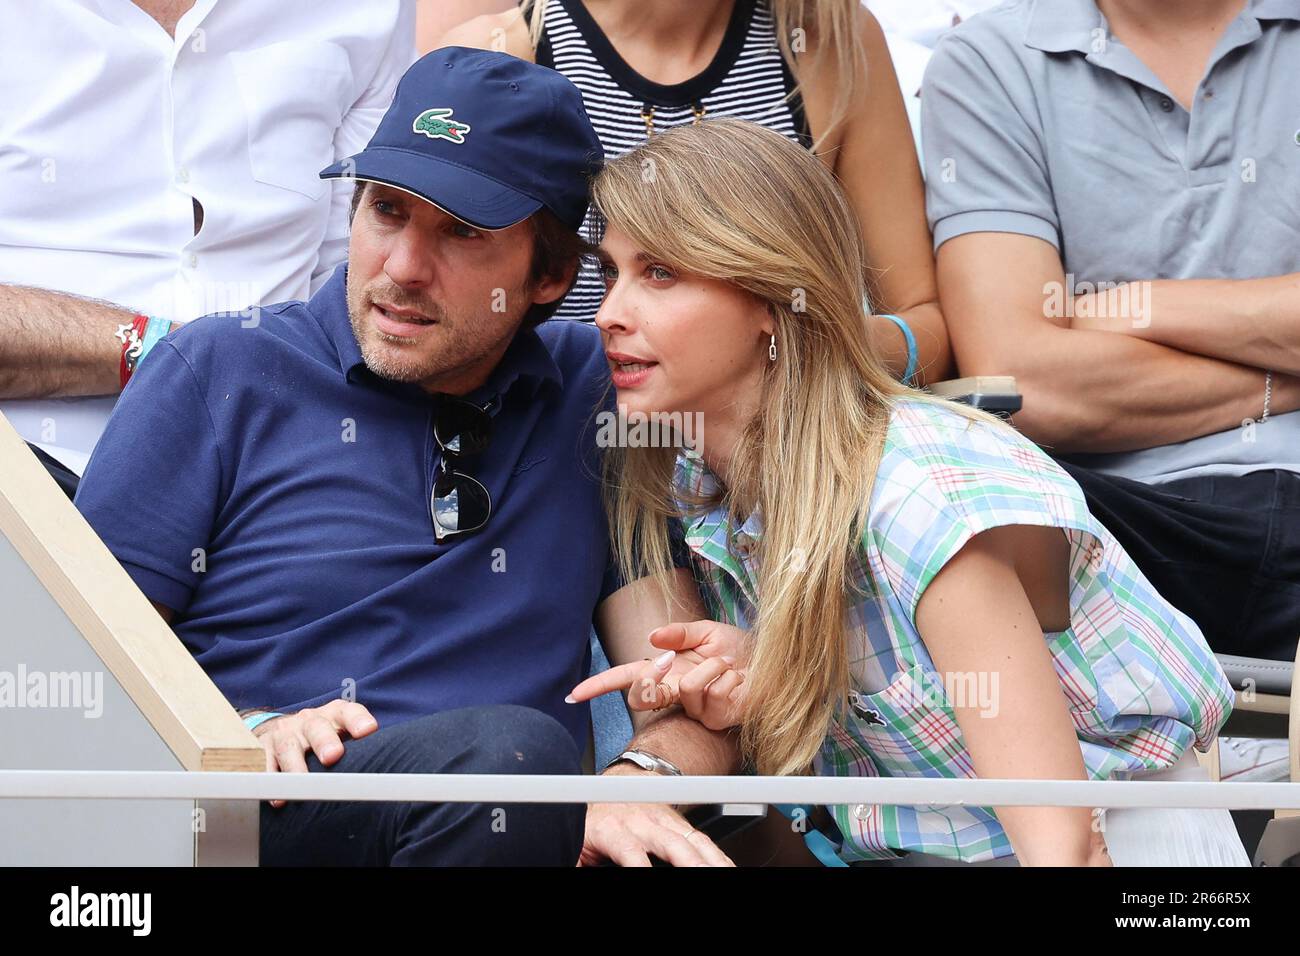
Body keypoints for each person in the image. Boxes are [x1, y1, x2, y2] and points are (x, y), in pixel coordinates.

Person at [73, 49, 737, 867]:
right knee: (509, 762)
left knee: (516, 768)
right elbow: (74, 684)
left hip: (512, 822)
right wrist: (243, 731)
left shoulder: (592, 394)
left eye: (461, 232)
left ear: (553, 273)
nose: (402, 269)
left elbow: (683, 696)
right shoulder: (218, 370)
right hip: (251, 819)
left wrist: (631, 787)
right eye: (387, 210)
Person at [571, 119, 1248, 866]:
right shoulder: (712, 493)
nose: (608, 313)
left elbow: (1063, 844)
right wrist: (762, 671)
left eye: (660, 273)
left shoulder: (919, 488)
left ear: (772, 299)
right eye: (610, 272)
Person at [920, 0, 1300, 666]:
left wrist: (1136, 305)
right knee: (931, 505)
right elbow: (1025, 381)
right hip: (1121, 524)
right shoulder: (989, 61)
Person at [0, 0, 415, 483]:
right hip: (29, 461)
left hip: (276, 471)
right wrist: (188, 358)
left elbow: (355, 271)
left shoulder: (371, 10)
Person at [434, 0, 953, 386]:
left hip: (764, 467)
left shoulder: (825, 39)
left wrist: (796, 345)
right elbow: (438, 310)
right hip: (563, 462)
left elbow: (923, 320)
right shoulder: (507, 52)